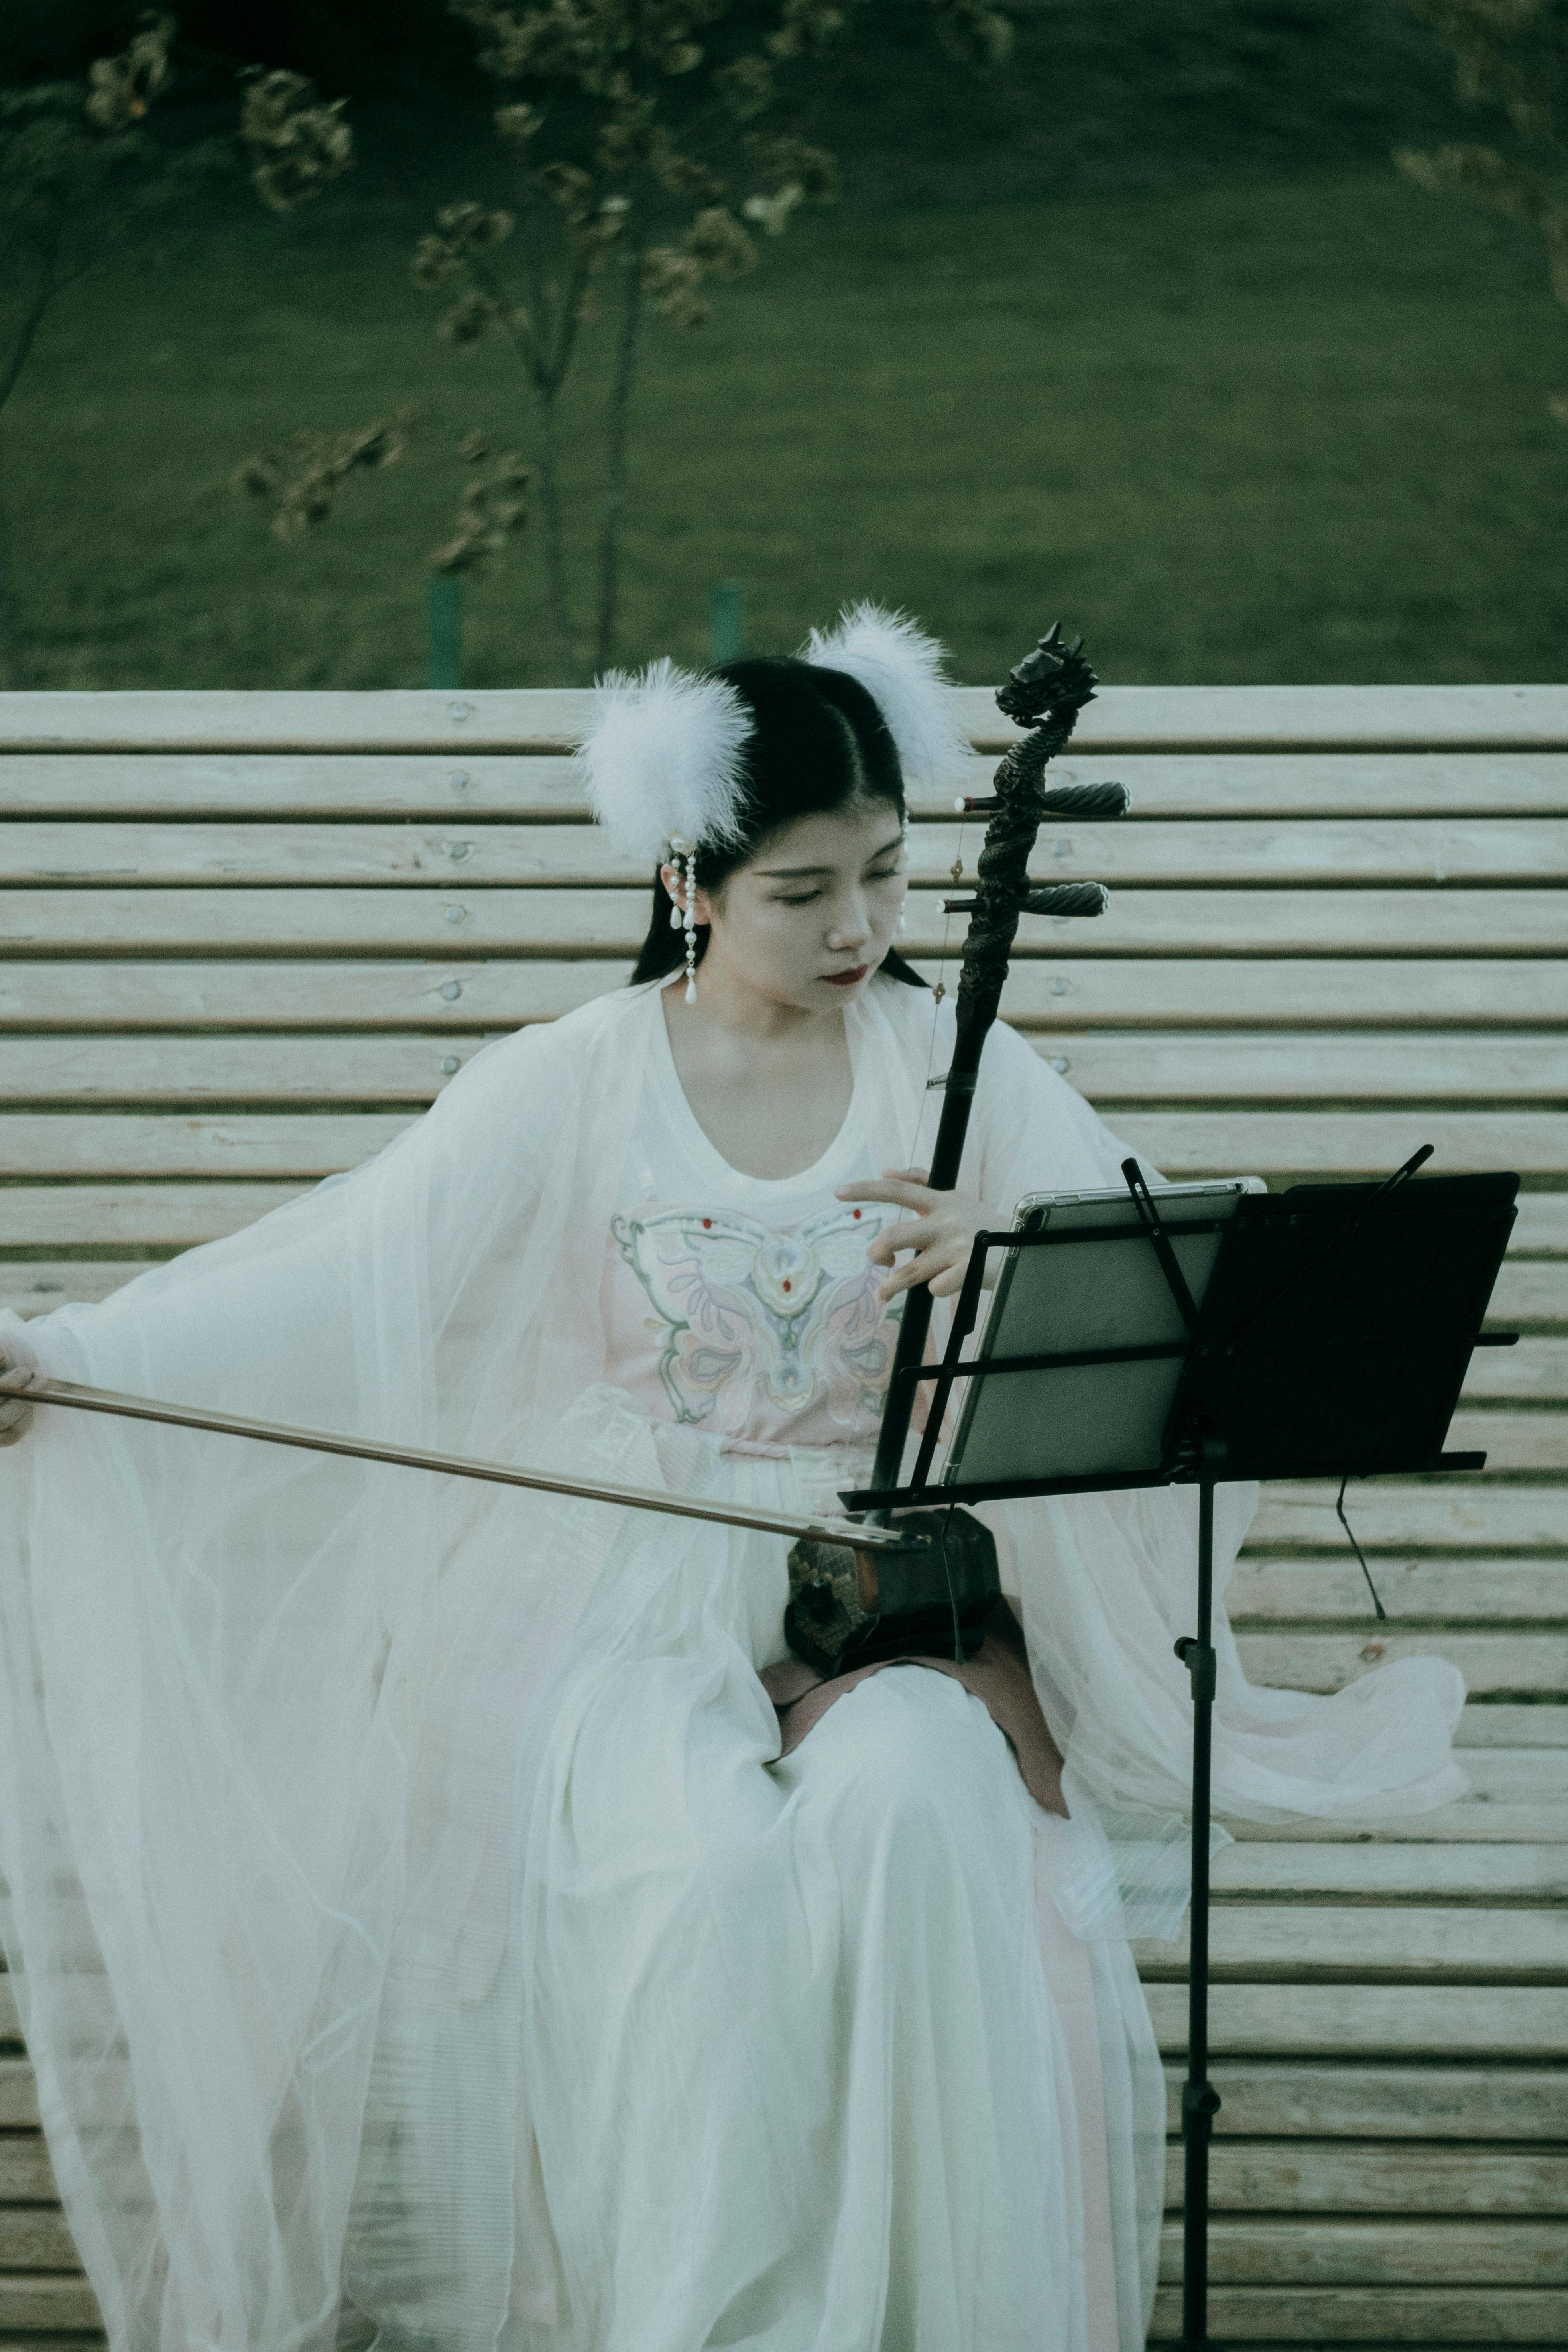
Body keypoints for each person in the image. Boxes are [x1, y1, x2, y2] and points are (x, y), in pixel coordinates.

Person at [0, 608, 1467, 2352]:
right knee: (687, 1877)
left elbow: (1173, 1270)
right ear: (693, 881)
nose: (858, 926)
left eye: (888, 874)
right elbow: (342, 1268)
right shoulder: (578, 1078)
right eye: (802, 889)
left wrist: (1005, 1259)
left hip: (888, 1595)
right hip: (624, 1595)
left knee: (923, 1819)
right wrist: (76, 1356)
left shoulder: (955, 1070)